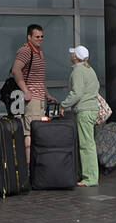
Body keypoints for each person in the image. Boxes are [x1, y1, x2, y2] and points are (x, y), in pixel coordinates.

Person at [12, 24, 58, 166]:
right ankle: (29, 167)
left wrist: (47, 94)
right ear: (29, 37)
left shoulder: (39, 51)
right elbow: (16, 70)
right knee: (30, 132)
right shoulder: (26, 51)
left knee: (36, 131)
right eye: (37, 36)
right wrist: (26, 90)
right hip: (30, 99)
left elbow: (39, 78)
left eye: (41, 36)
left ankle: (35, 165)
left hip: (38, 98)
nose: (40, 39)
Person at [59, 46, 99, 187]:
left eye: (73, 54)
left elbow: (77, 93)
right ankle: (88, 175)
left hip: (84, 110)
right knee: (89, 143)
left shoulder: (78, 71)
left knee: (86, 145)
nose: (71, 56)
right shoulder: (90, 69)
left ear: (76, 57)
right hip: (92, 109)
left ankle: (90, 178)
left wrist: (63, 105)